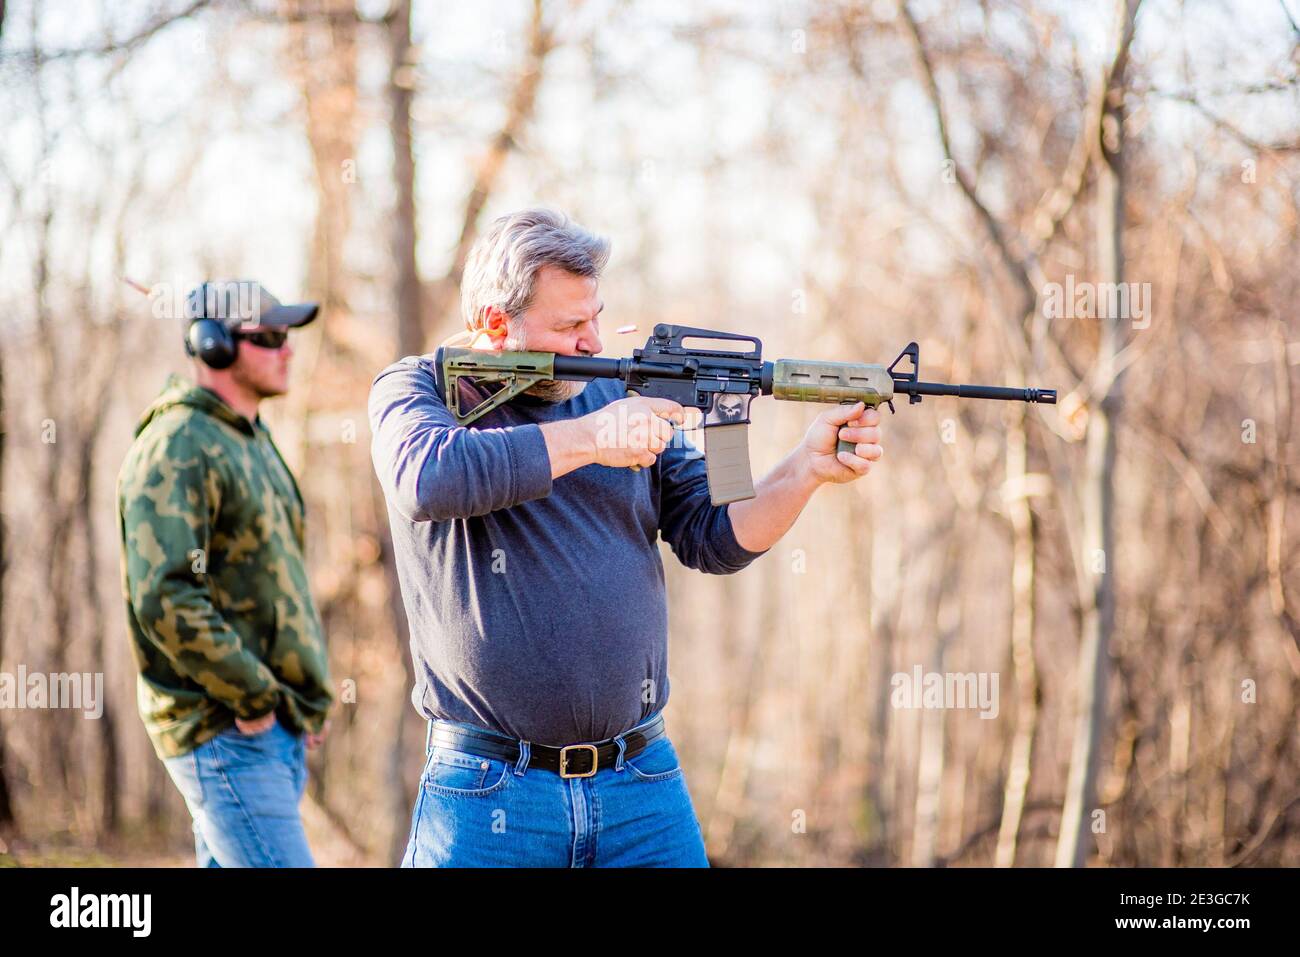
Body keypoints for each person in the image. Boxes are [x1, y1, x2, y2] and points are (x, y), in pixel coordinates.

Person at [369, 209, 883, 867]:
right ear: (496, 324)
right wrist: (595, 438)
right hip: (488, 791)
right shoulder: (418, 389)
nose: (593, 340)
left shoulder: (612, 390)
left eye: (595, 317)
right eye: (569, 325)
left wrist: (806, 467)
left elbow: (713, 535)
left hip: (640, 783)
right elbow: (428, 478)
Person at [117, 280, 334, 867]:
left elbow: (279, 584)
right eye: (268, 336)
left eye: (287, 335)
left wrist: (299, 700)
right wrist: (256, 695)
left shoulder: (253, 440)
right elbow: (164, 595)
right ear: (212, 345)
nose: (287, 349)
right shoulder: (179, 443)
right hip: (226, 729)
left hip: (268, 728)